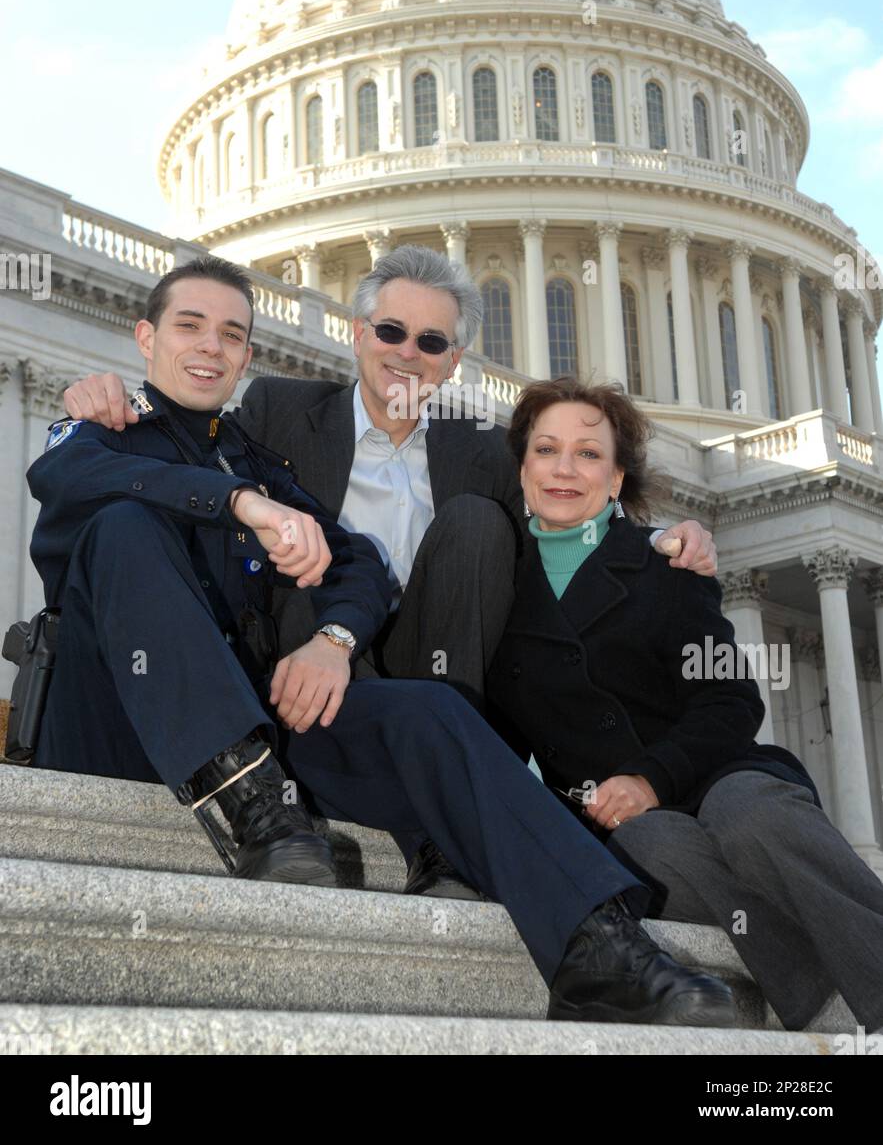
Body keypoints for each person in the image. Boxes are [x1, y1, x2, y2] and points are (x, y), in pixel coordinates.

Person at [26, 255, 738, 1028]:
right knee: (126, 525)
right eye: (189, 326)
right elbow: (67, 480)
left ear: (247, 356)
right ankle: (250, 797)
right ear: (143, 337)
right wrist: (240, 506)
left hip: (263, 740)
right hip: (121, 722)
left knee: (430, 712)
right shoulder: (100, 433)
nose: (210, 346)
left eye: (231, 333)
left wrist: (333, 635)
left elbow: (361, 558)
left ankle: (600, 950)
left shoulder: (257, 459)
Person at [485, 376, 883, 1034]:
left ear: (615, 480)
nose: (564, 468)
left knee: (748, 816)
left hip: (712, 772)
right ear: (520, 468)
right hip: (610, 813)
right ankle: (825, 1008)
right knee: (652, 843)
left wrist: (652, 776)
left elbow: (730, 698)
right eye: (545, 450)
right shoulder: (492, 573)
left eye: (588, 454)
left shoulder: (661, 565)